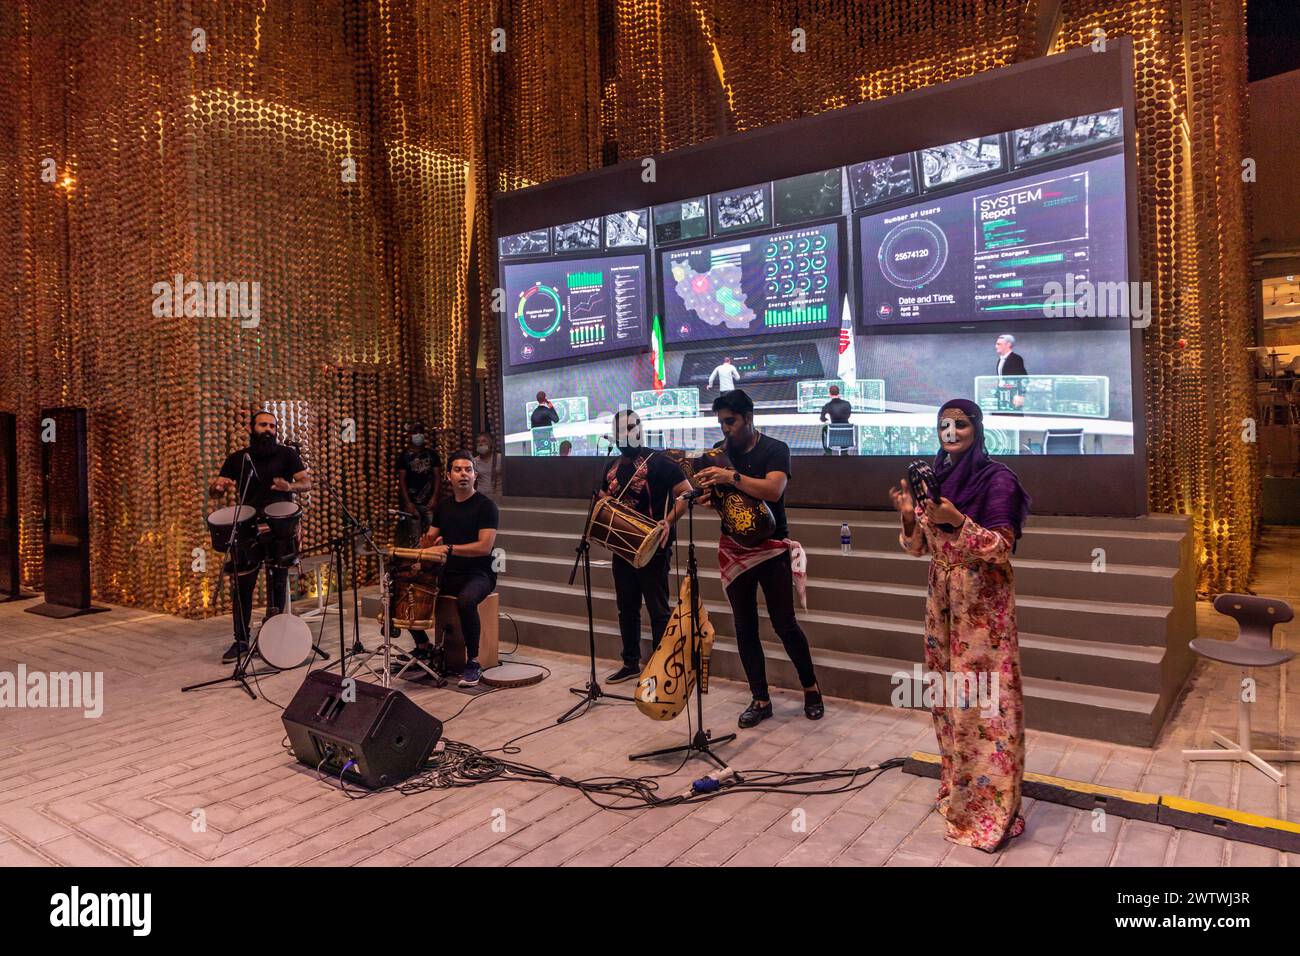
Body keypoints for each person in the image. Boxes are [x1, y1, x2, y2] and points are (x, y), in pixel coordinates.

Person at [889, 398, 1031, 852]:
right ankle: (960, 791)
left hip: (982, 606)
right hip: (942, 602)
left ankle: (992, 808)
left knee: (985, 705)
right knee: (947, 700)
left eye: (961, 424)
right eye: (944, 425)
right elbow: (919, 549)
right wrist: (910, 516)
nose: (951, 432)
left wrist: (958, 520)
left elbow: (1000, 546)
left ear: (977, 428)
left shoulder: (997, 479)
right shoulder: (936, 477)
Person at [695, 389, 823, 727]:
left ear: (749, 419)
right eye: (721, 422)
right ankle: (760, 698)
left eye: (731, 422)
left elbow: (773, 490)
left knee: (785, 625)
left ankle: (811, 690)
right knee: (744, 627)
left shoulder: (774, 449)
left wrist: (731, 477)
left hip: (771, 548)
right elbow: (725, 503)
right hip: (734, 549)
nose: (725, 429)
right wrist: (711, 499)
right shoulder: (719, 454)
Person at [208, 410, 311, 663]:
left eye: (272, 426)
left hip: (280, 526)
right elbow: (217, 489)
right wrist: (217, 488)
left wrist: (290, 487)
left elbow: (306, 483)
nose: (269, 430)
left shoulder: (288, 454)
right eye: (263, 425)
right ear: (252, 428)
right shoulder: (238, 458)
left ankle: (274, 638)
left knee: (278, 583)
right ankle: (241, 641)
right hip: (247, 527)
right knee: (243, 585)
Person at [600, 409, 692, 683]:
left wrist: (668, 521)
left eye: (629, 428)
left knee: (658, 609)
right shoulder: (611, 465)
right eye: (619, 430)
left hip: (655, 548)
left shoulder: (659, 462)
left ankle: (660, 665)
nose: (624, 435)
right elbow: (604, 496)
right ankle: (631, 663)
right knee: (626, 607)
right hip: (623, 549)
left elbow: (686, 492)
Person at [411, 452, 500, 687]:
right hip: (449, 572)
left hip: (479, 574)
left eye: (468, 470)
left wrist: (449, 549)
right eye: (458, 470)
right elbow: (431, 538)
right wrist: (427, 546)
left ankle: (473, 662)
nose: (463, 474)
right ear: (449, 476)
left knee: (466, 601)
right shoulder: (443, 507)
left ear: (474, 476)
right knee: (407, 588)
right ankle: (423, 646)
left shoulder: (486, 506)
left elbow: (484, 547)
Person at [395, 421, 441, 544]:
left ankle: (432, 561)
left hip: (429, 502)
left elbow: (437, 477)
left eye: (420, 432)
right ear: (409, 435)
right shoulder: (404, 456)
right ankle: (417, 561)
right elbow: (402, 481)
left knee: (432, 535)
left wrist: (435, 498)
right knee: (415, 535)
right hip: (412, 503)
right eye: (415, 432)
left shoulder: (432, 455)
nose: (418, 435)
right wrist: (408, 503)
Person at [993, 334, 1027, 412]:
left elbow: (1022, 377)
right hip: (1002, 394)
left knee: (1013, 418)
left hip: (1013, 395)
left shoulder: (1016, 359)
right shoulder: (1000, 360)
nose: (996, 346)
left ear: (1008, 345)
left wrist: (1019, 395)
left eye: (999, 344)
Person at [819, 384, 853, 452]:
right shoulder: (847, 404)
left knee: (824, 428)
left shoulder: (828, 405)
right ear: (839, 393)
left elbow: (822, 418)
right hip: (846, 430)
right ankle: (844, 451)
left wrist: (826, 420)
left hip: (833, 430)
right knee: (844, 430)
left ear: (830, 394)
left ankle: (828, 452)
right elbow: (848, 415)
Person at [473, 431, 502, 495]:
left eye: (484, 441)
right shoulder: (474, 461)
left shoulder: (500, 458)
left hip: (499, 496)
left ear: (491, 443)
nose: (480, 444)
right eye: (478, 442)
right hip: (481, 496)